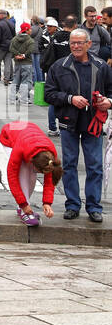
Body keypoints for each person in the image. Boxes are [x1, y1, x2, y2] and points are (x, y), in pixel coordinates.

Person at [44, 27, 109, 223]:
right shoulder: (59, 66)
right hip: (67, 122)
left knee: (95, 166)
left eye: (80, 42)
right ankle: (72, 205)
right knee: (69, 165)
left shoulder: (101, 66)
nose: (76, 46)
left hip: (93, 123)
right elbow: (48, 94)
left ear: (89, 44)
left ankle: (94, 206)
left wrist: (109, 102)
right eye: (73, 42)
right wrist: (70, 99)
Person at [0, 120, 62, 226]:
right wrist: (23, 204)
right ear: (33, 162)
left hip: (27, 130)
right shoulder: (20, 149)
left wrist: (47, 203)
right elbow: (12, 177)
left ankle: (23, 207)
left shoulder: (50, 155)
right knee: (23, 171)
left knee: (31, 175)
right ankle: (24, 210)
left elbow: (50, 180)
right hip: (9, 133)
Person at [41, 17, 74, 136]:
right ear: (74, 25)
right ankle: (65, 125)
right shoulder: (73, 38)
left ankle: (52, 128)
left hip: (53, 70)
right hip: (68, 72)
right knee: (67, 98)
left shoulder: (55, 37)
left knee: (53, 99)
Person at [8, 23, 38, 107]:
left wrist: (17, 54)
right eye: (30, 29)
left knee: (16, 80)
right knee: (26, 81)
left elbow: (11, 48)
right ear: (27, 30)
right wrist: (24, 55)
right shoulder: (30, 40)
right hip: (27, 63)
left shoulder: (14, 39)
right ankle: (24, 100)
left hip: (17, 63)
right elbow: (31, 50)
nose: (31, 30)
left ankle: (12, 99)